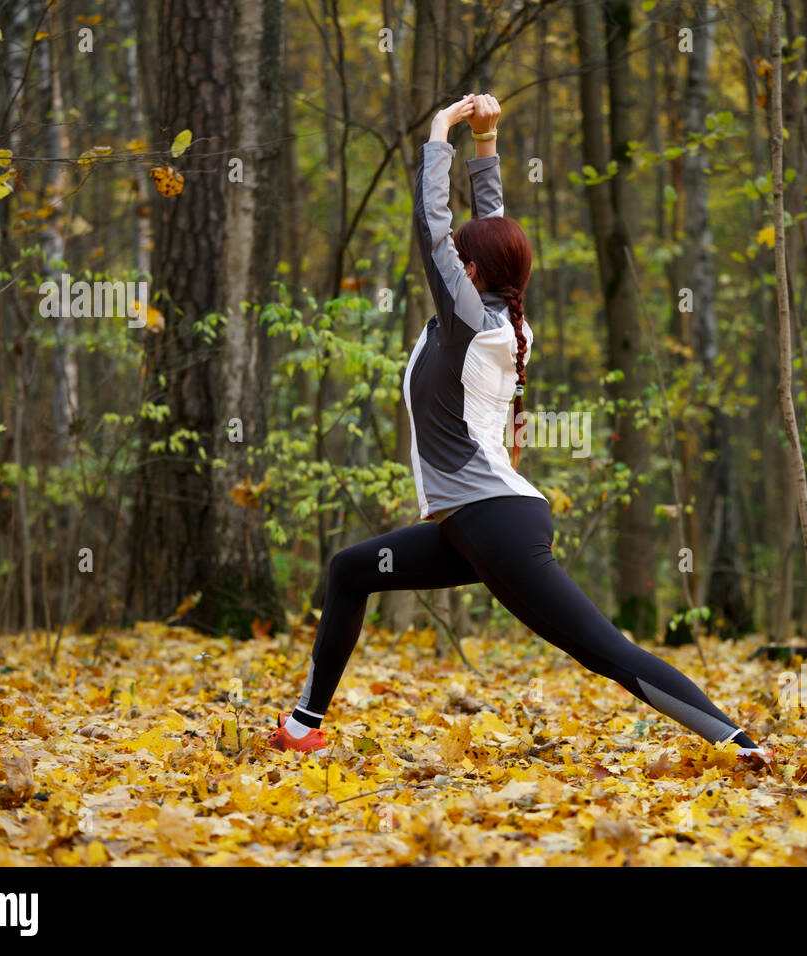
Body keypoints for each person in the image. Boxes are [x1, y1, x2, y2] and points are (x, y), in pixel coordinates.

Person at [267, 93, 774, 768]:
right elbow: (491, 228)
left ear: (471, 274)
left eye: (462, 261)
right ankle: (305, 724)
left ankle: (737, 743)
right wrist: (489, 143)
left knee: (607, 653)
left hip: (495, 525)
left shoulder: (469, 321)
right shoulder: (504, 317)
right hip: (473, 524)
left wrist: (439, 131)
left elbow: (433, 226)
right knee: (352, 570)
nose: (454, 262)